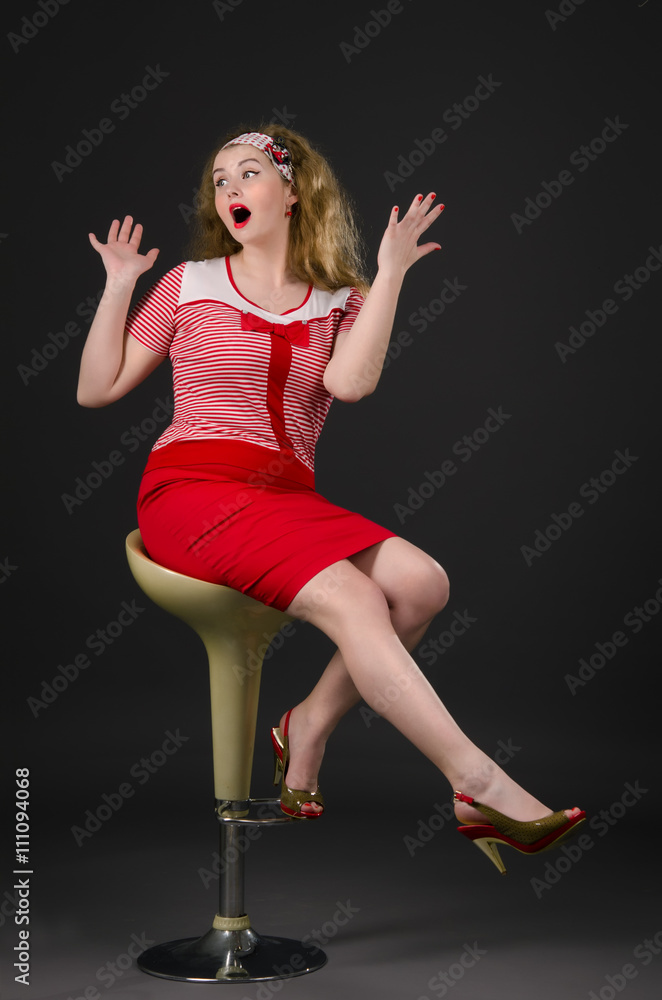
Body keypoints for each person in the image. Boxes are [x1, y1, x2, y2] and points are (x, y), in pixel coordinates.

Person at [77, 124, 584, 873]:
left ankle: (308, 723)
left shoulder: (342, 300)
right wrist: (120, 284)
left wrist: (387, 276)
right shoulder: (187, 285)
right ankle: (477, 784)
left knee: (422, 585)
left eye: (247, 174)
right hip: (193, 491)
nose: (229, 192)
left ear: (292, 191)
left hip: (284, 497)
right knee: (353, 599)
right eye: (219, 181)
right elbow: (96, 389)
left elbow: (350, 385)